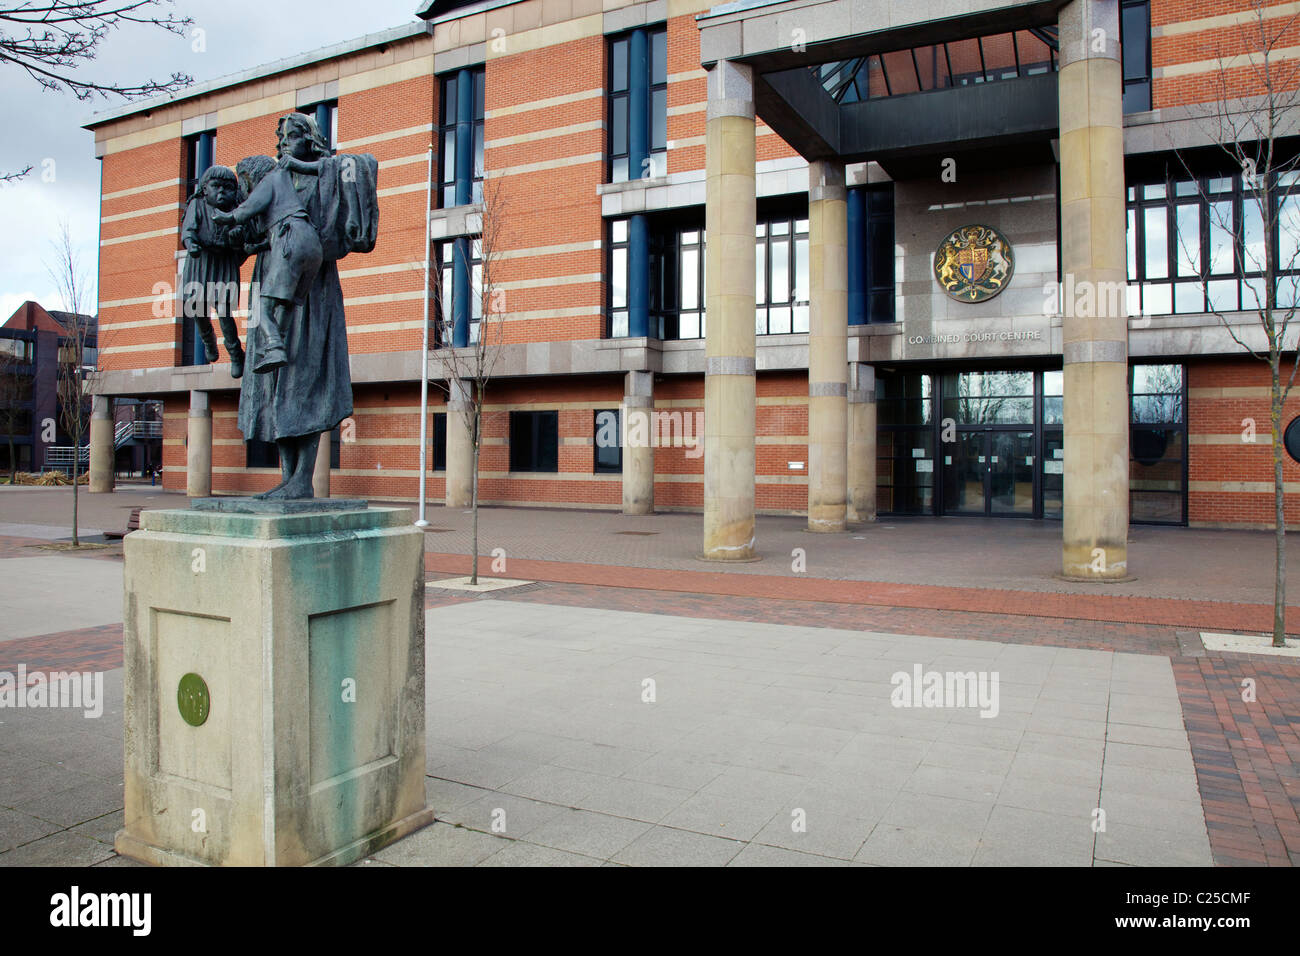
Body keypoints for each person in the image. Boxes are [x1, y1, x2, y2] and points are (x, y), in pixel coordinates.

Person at [234, 113, 378, 499]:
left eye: (293, 135)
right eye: (280, 136)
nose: (283, 142)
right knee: (273, 385)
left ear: (310, 139)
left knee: (307, 380)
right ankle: (288, 479)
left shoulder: (326, 175)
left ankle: (303, 479)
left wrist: (310, 164)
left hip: (311, 290)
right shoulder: (273, 179)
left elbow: (361, 167)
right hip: (270, 280)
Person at [212, 156, 323, 374]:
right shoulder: (287, 186)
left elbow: (248, 209)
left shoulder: (271, 179)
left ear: (248, 177)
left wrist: (225, 217)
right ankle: (277, 342)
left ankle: (274, 346)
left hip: (290, 238)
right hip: (312, 244)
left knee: (261, 306)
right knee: (288, 302)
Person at [180, 166, 247, 377]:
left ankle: (235, 352)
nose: (221, 192)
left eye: (227, 188)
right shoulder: (197, 204)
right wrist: (191, 244)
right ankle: (208, 340)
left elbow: (244, 243)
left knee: (224, 312)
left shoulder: (237, 210)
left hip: (224, 263)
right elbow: (188, 229)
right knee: (196, 307)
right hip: (201, 261)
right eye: (216, 187)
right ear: (204, 189)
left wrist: (238, 239)